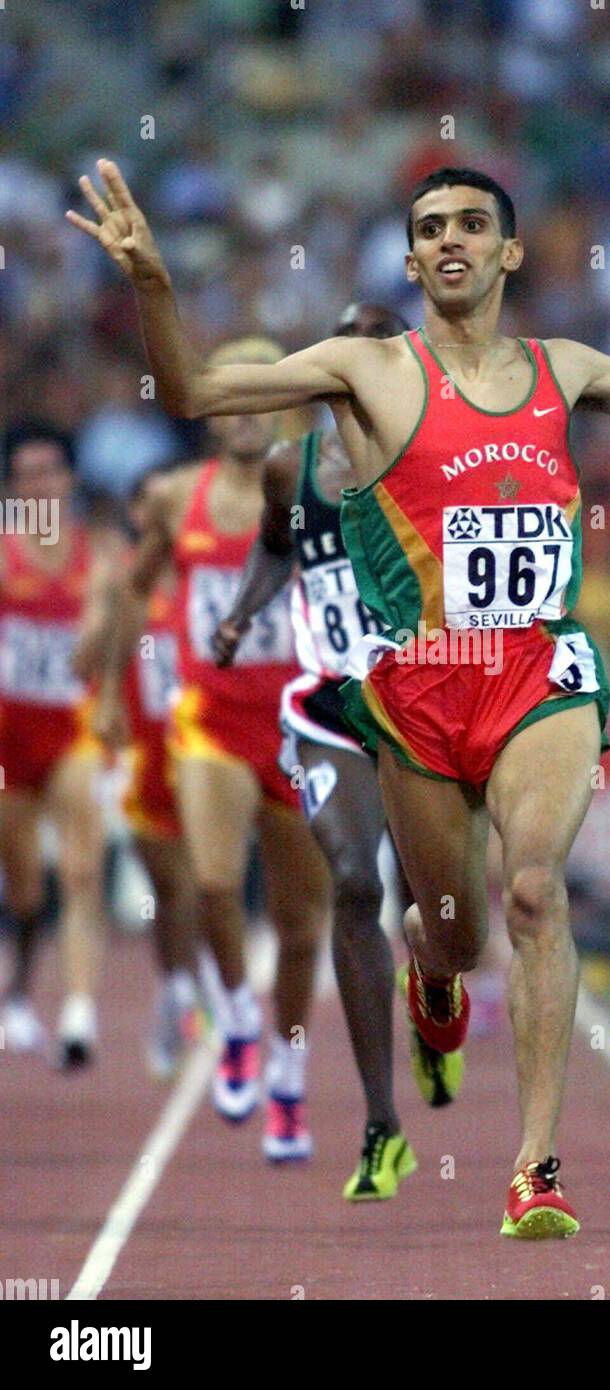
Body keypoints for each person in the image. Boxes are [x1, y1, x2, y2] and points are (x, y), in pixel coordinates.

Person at [69, 160, 610, 1237]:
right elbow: (201, 391)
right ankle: (431, 980)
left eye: (472, 223)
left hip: (539, 670)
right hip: (418, 689)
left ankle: (535, 1166)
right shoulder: (364, 366)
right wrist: (155, 284)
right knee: (453, 938)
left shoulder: (561, 366)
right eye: (430, 226)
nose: (451, 239)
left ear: (507, 250)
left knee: (535, 892)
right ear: (408, 258)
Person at [212, 302, 464, 1202]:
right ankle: (380, 1122)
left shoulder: (444, 465)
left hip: (432, 706)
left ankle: (436, 995)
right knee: (356, 884)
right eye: (345, 347)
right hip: (331, 707)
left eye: (378, 346)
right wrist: (244, 611)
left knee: (437, 909)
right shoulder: (293, 467)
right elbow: (275, 552)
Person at [91, 341, 331, 1162]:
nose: (247, 413)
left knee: (301, 928)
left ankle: (289, 1073)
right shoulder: (172, 496)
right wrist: (110, 694)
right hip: (210, 725)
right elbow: (133, 586)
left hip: (302, 730)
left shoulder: (318, 492)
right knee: (213, 884)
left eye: (263, 397)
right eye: (230, 398)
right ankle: (233, 1017)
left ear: (288, 407)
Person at [0, 425, 122, 1067]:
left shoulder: (99, 557)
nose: (39, 485)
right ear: (13, 488)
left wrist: (96, 643)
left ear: (69, 479)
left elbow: (107, 641)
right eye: (26, 475)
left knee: (80, 871)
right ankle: (19, 986)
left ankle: (78, 1014)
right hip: (7, 744)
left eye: (50, 471)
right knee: (24, 892)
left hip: (71, 733)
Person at [75, 471, 203, 1080]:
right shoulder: (123, 580)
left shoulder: (207, 567)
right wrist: (101, 610)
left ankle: (196, 990)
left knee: (209, 881)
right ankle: (176, 988)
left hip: (208, 752)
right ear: (135, 509)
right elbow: (85, 661)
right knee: (170, 890)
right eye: (149, 502)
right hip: (146, 758)